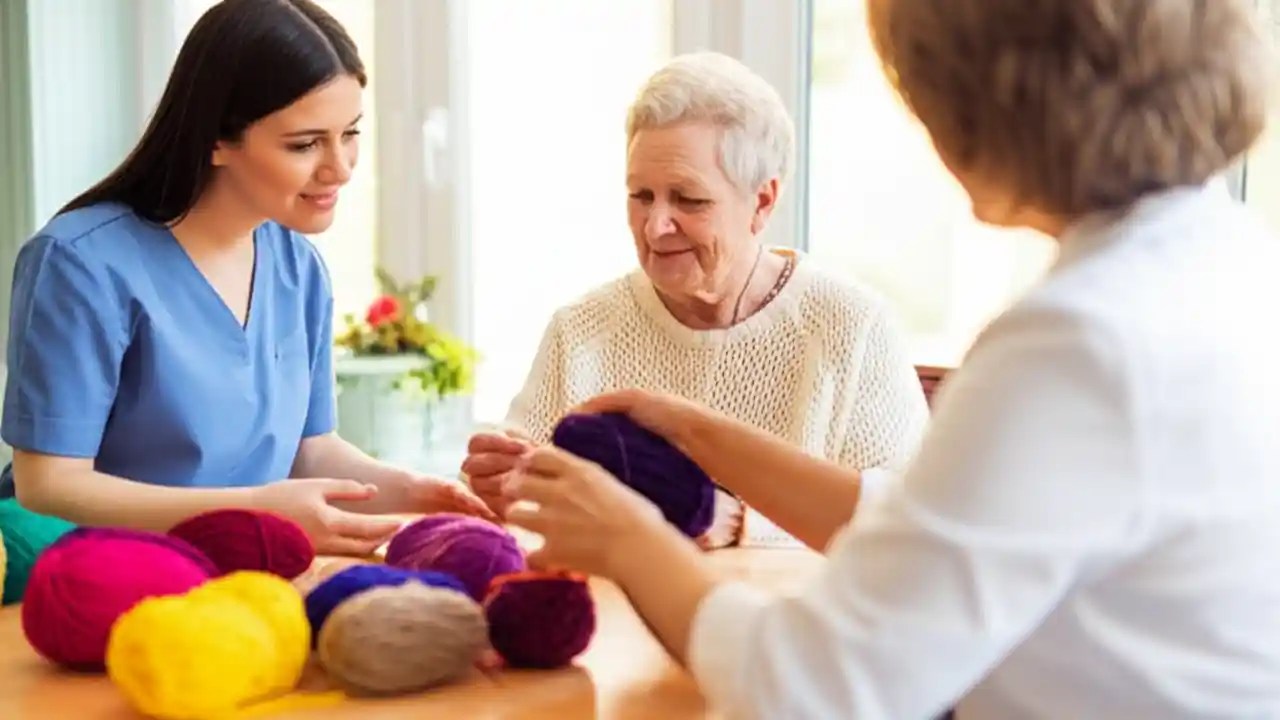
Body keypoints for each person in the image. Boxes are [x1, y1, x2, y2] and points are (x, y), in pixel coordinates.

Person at [501, 0, 1280, 717]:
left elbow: (812, 687)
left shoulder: (1075, 342)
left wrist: (630, 538)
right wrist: (695, 429)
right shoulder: (1224, 261)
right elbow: (930, 527)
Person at [0, 0, 493, 556]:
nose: (341, 167)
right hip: (81, 576)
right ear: (216, 138)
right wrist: (254, 510)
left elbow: (310, 451)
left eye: (349, 133)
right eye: (305, 144)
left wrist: (411, 490)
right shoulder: (80, 262)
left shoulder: (298, 268)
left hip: (236, 569)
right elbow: (47, 486)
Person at [463, 51, 929, 548]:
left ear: (763, 202)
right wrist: (501, 491)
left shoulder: (854, 327)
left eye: (689, 199)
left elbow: (912, 535)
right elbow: (525, 496)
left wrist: (741, 525)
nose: (656, 225)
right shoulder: (581, 329)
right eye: (641, 195)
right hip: (619, 618)